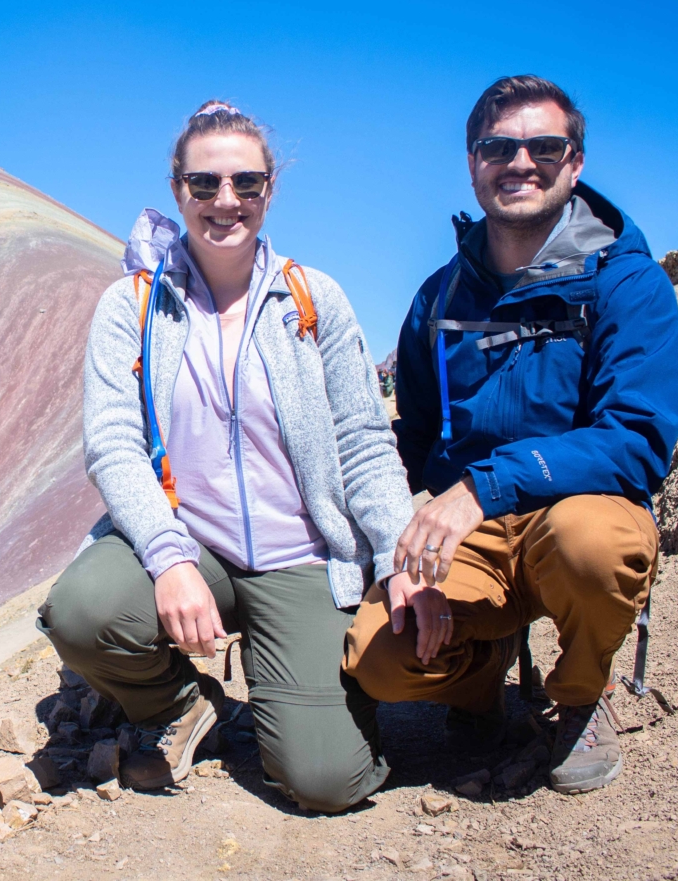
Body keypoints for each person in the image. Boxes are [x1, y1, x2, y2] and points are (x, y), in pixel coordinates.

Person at [38, 101, 414, 811]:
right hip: (193, 547)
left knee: (325, 782)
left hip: (299, 556)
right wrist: (170, 557)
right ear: (177, 188)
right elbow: (113, 443)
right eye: (204, 184)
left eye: (246, 182)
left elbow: (364, 440)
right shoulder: (134, 305)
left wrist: (393, 556)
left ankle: (306, 701)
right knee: (83, 611)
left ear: (271, 189)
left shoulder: (312, 298)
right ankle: (182, 705)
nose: (226, 201)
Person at [345, 75, 678, 796]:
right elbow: (411, 437)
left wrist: (485, 486)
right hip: (467, 530)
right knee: (380, 656)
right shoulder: (438, 298)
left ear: (576, 162)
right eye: (498, 146)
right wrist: (390, 545)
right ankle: (482, 684)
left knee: (594, 547)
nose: (520, 162)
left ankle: (579, 695)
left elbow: (638, 439)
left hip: (576, 510)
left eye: (544, 145)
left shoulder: (625, 283)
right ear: (473, 163)